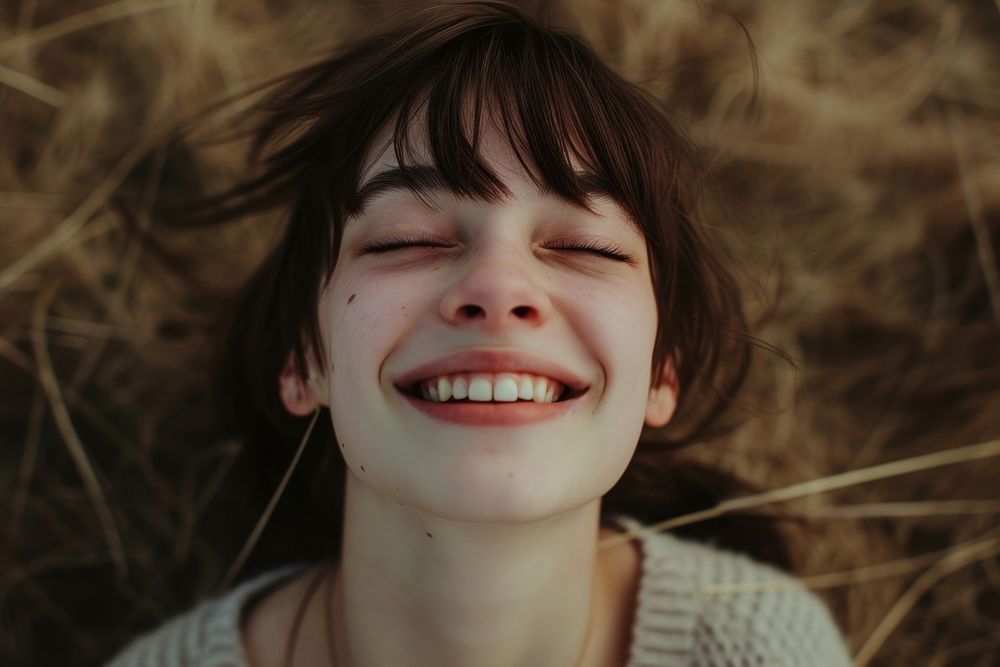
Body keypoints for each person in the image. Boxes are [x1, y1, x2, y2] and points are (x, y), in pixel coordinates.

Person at [107, 2, 853, 665]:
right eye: (406, 239)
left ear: (662, 371)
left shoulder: (759, 647)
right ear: (304, 355)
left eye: (587, 247)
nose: (498, 289)